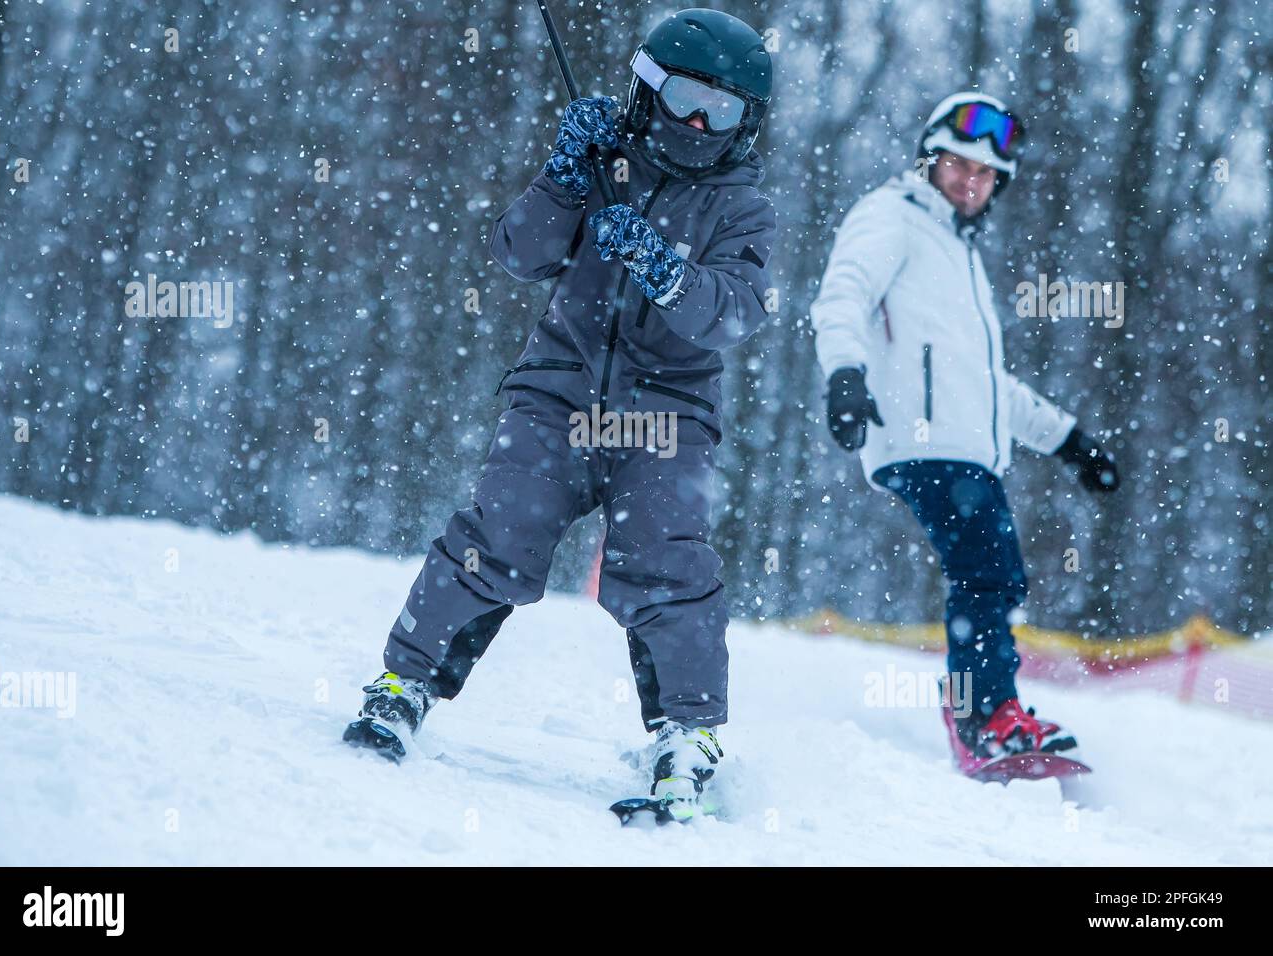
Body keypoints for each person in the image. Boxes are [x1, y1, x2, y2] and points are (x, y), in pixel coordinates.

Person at [345, 9, 775, 811]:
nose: (695, 123)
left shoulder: (741, 208)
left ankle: (688, 733)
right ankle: (405, 683)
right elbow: (519, 254)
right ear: (647, 89)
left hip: (667, 413)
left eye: (721, 112)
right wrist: (564, 175)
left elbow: (734, 314)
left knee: (667, 561)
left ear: (745, 127)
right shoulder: (604, 160)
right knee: (497, 534)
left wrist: (659, 264)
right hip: (556, 390)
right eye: (684, 97)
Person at [809, 91, 1121, 768]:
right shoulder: (891, 214)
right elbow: (843, 296)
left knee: (997, 575)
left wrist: (1068, 440)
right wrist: (844, 374)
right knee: (987, 570)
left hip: (966, 447)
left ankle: (987, 706)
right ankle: (983, 715)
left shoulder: (962, 256)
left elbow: (983, 383)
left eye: (983, 174)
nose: (968, 180)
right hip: (919, 439)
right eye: (956, 164)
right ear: (929, 158)